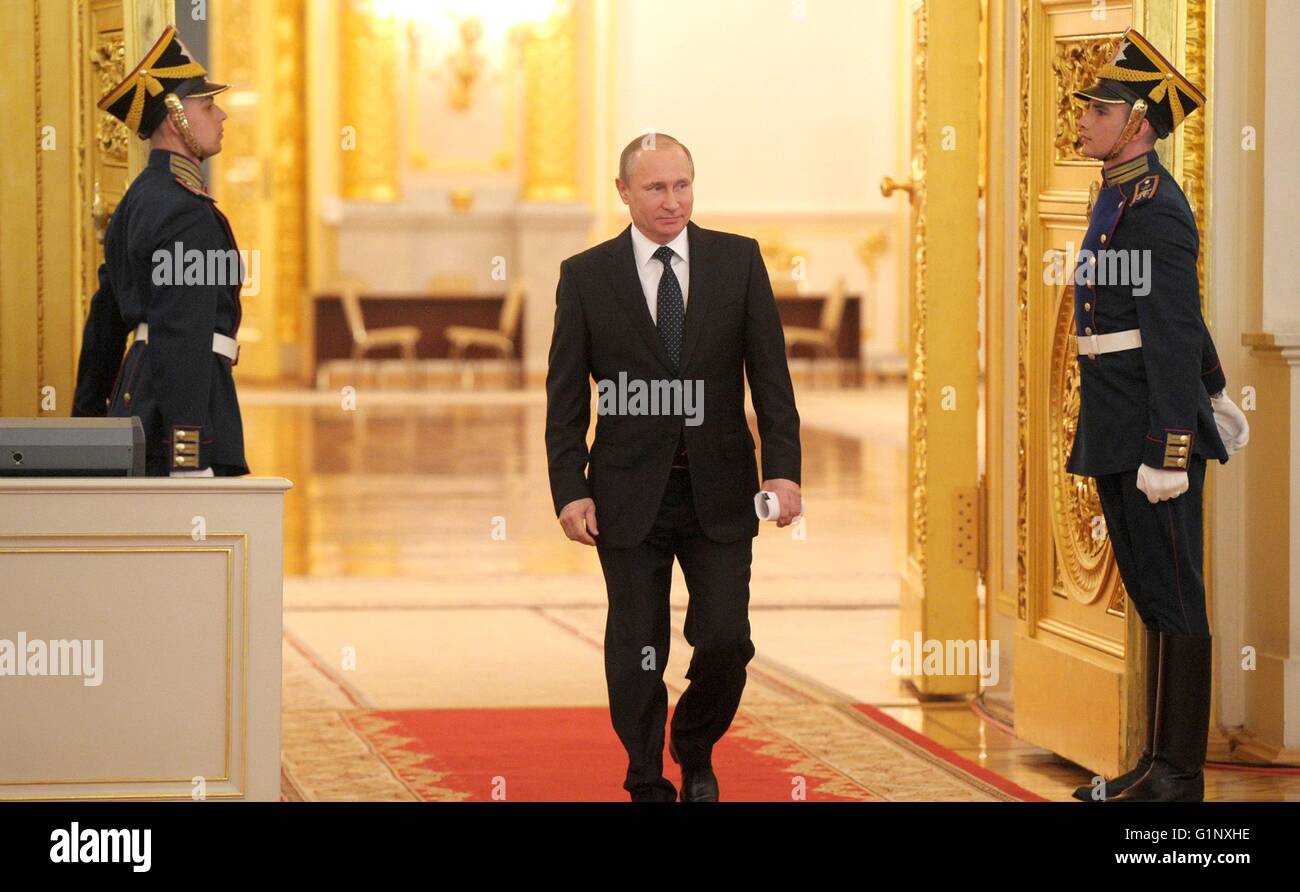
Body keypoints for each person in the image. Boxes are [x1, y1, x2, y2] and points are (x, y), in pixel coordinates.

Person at [545, 133, 802, 801]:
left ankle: (694, 742)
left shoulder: (737, 261)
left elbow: (770, 377)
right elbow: (565, 398)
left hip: (721, 489)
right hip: (627, 493)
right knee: (638, 642)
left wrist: (783, 471)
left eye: (682, 185)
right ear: (624, 192)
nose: (673, 200)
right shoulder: (586, 275)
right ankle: (645, 776)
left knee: (725, 640)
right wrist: (569, 490)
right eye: (656, 187)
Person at [1065, 28, 1249, 802]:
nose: (1083, 120)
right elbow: (1177, 325)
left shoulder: (1156, 208)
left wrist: (1174, 446)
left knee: (1176, 598)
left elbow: (1170, 328)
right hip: (1117, 417)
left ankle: (1180, 773)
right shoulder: (1115, 190)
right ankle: (1154, 766)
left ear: (1136, 122)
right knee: (1149, 592)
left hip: (1147, 428)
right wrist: (1215, 384)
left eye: (1098, 111)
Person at [73, 25, 247, 478]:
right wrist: (189, 455)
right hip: (183, 419)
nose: (222, 115)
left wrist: (88, 426)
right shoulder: (185, 211)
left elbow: (104, 324)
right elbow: (182, 331)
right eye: (208, 106)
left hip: (138, 406)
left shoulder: (137, 200)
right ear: (176, 118)